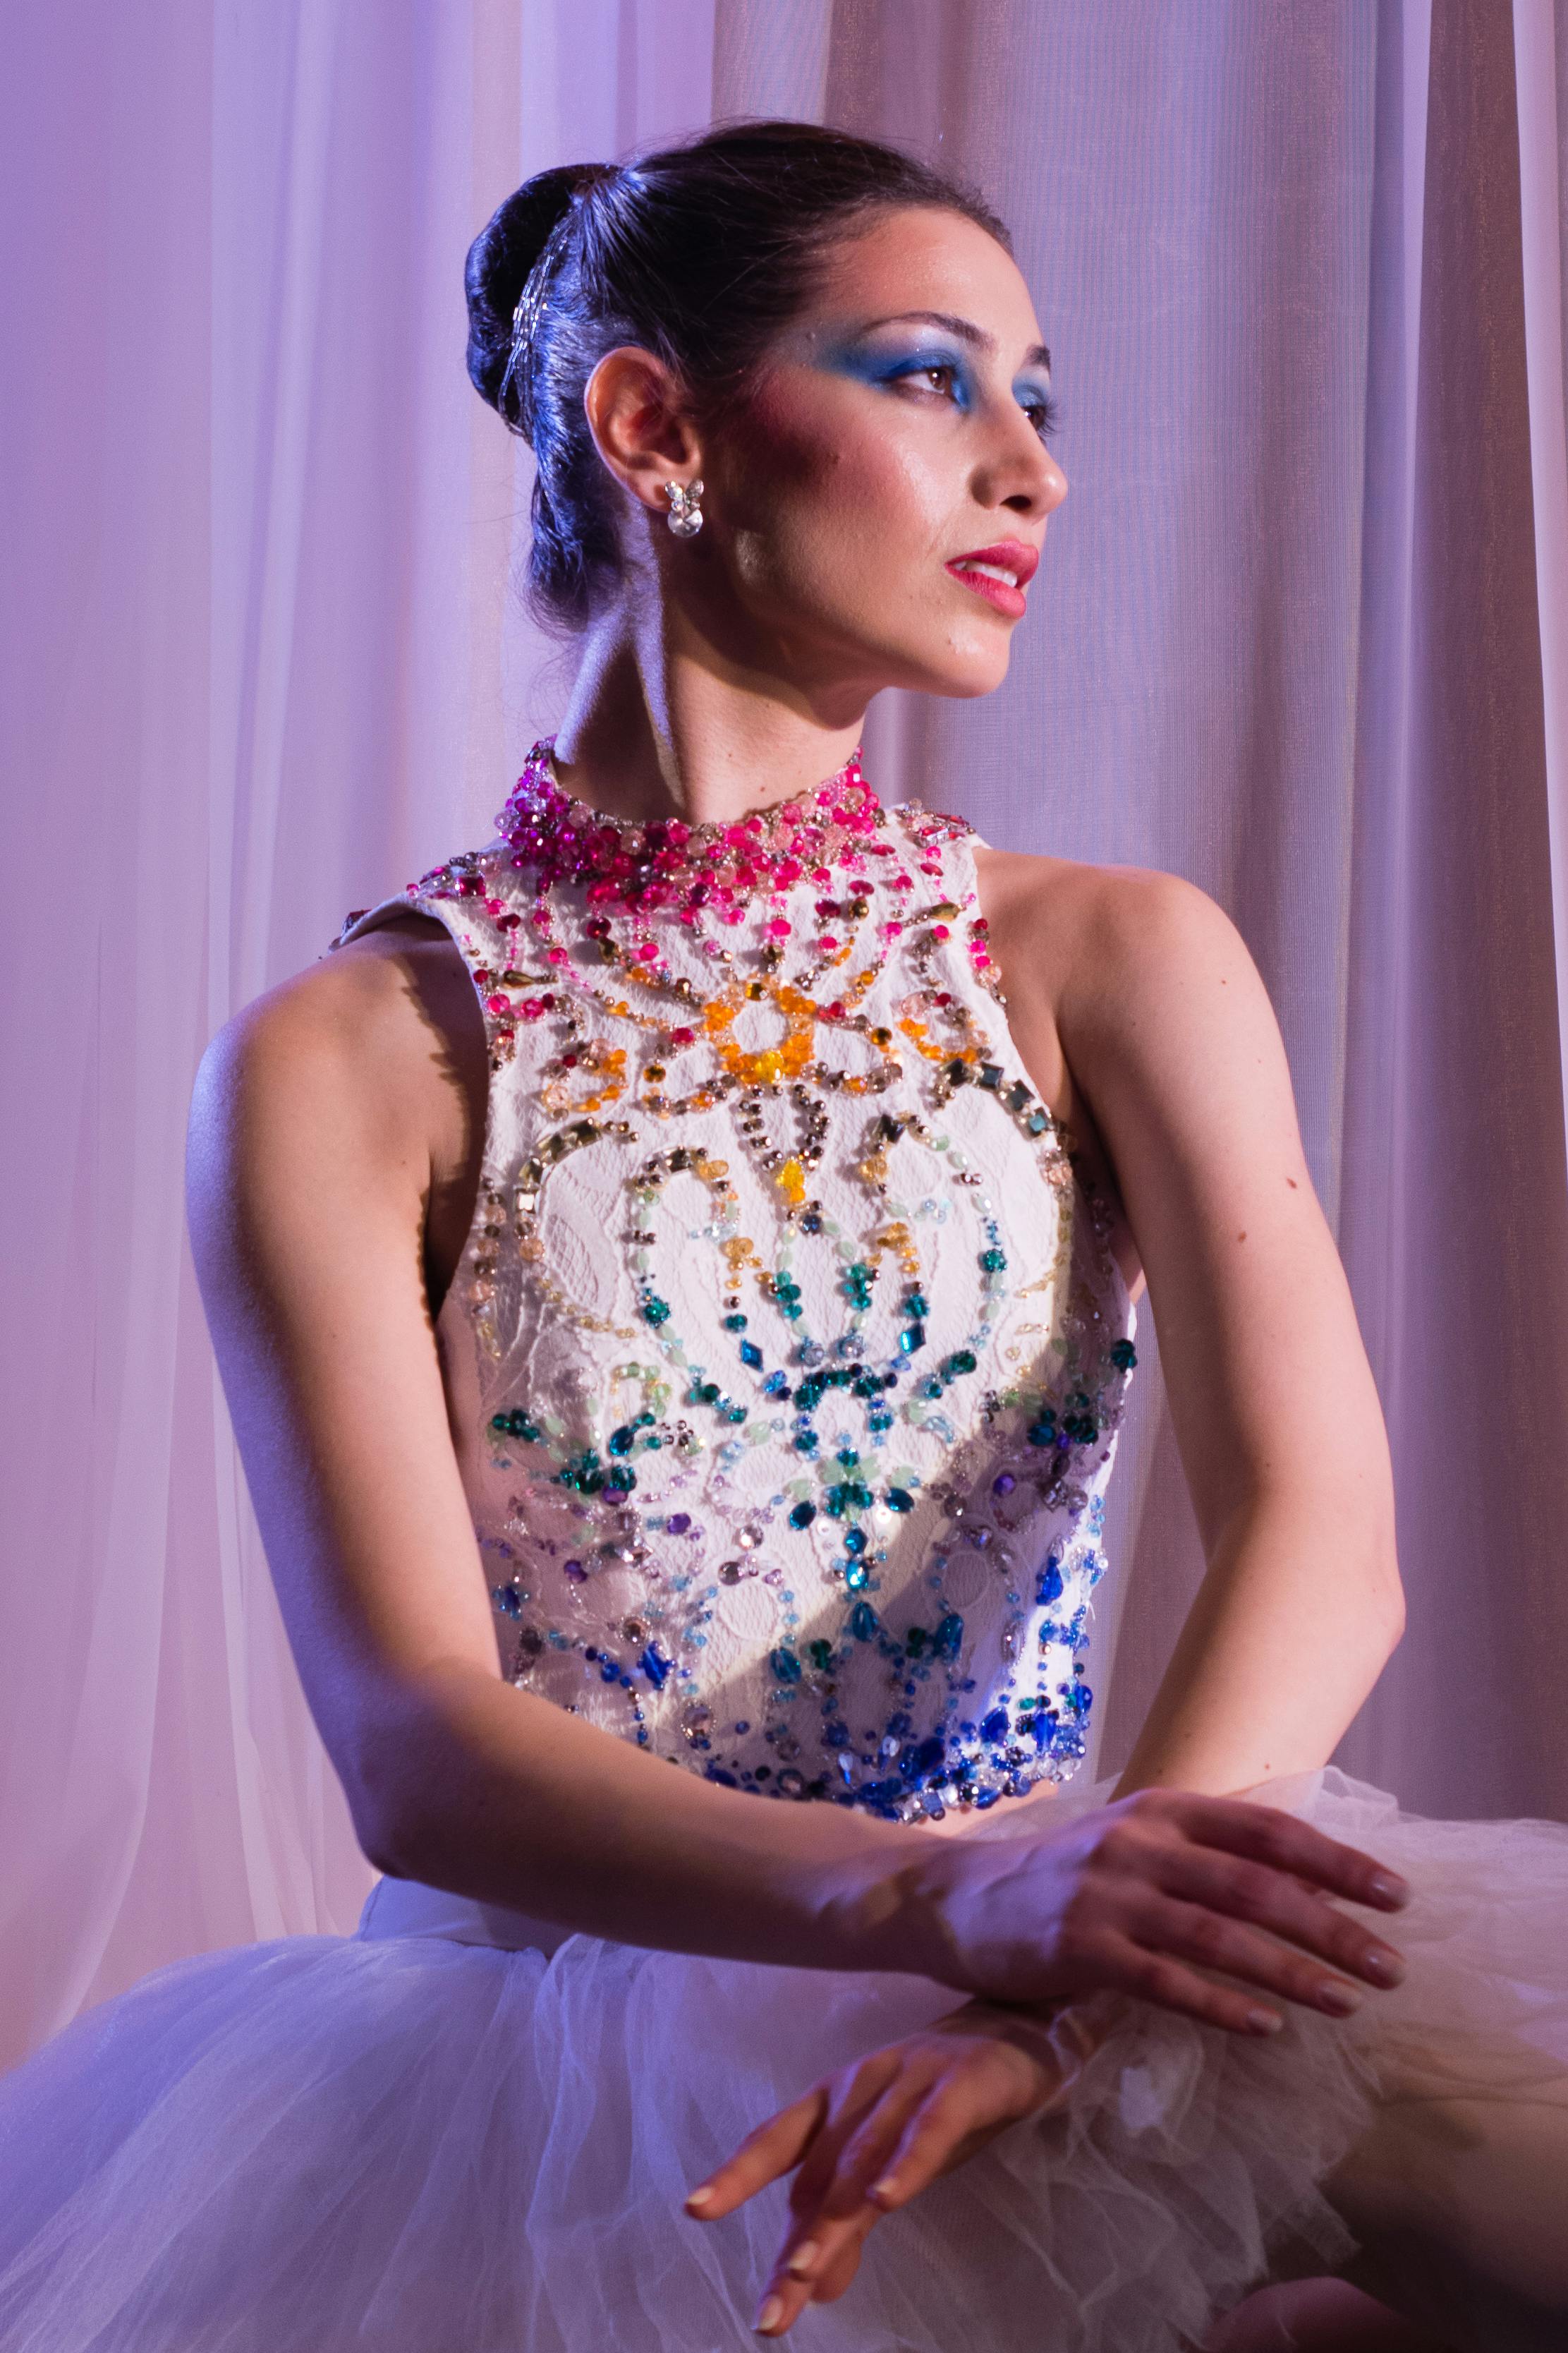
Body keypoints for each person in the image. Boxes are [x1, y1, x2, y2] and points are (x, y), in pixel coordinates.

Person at [0, 119, 1564, 2353]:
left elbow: (1329, 1526)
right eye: (937, 377)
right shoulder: (337, 1064)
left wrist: (1089, 1991)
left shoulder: (1112, 956)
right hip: (546, 2077)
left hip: (1064, 1968)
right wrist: (946, 1897)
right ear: (655, 428)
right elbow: (417, 1748)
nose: (1028, 467)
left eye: (1046, 398)